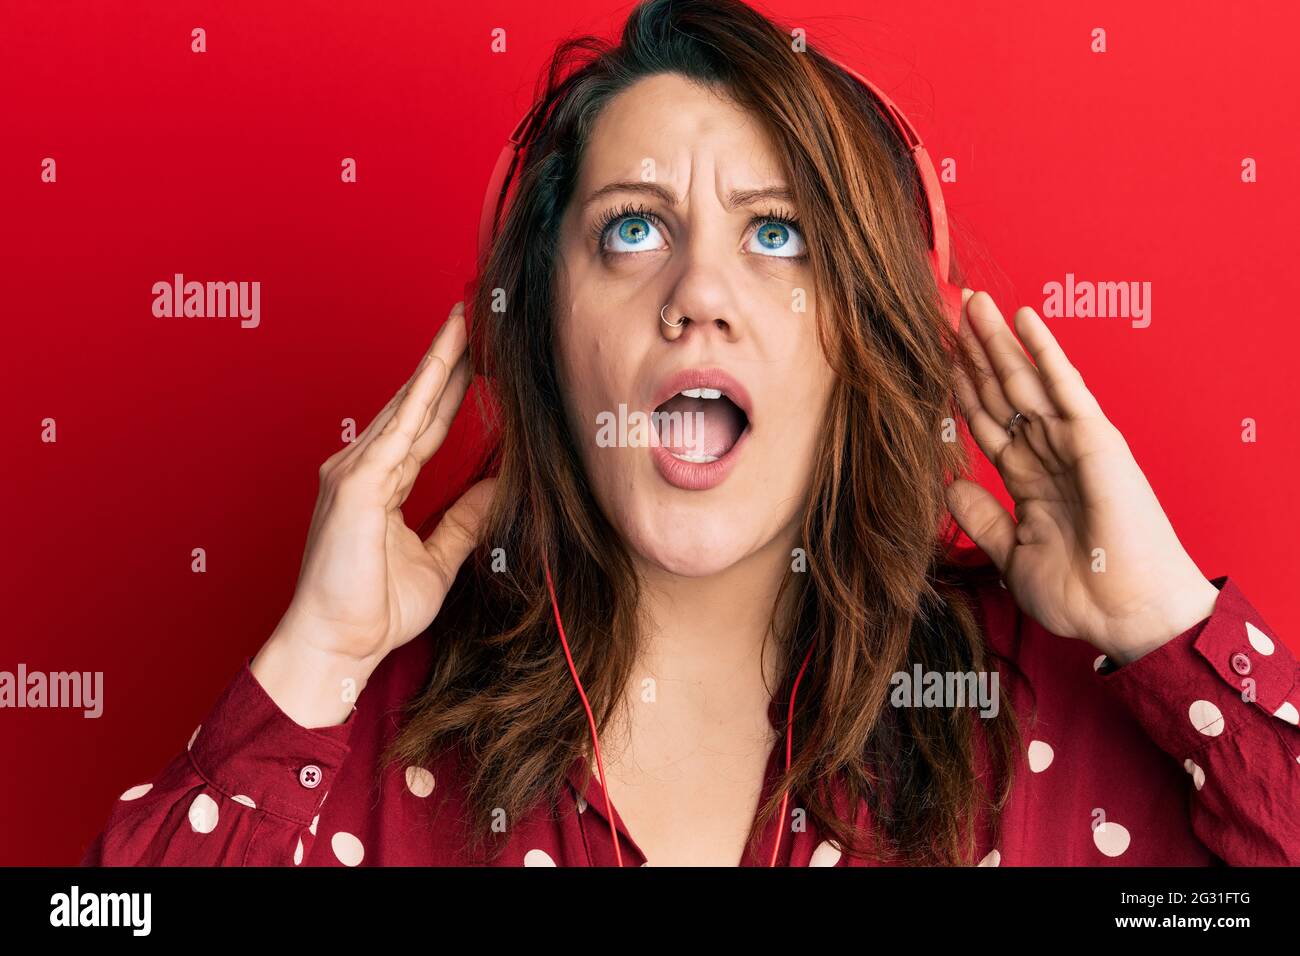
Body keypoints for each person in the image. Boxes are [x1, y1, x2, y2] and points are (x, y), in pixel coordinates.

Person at [82, 0, 1298, 867]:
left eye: (778, 235)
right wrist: (308, 668)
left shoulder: (1043, 706)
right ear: (543, 330)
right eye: (630, 229)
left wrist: (1172, 629)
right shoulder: (359, 728)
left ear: (863, 332)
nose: (697, 291)